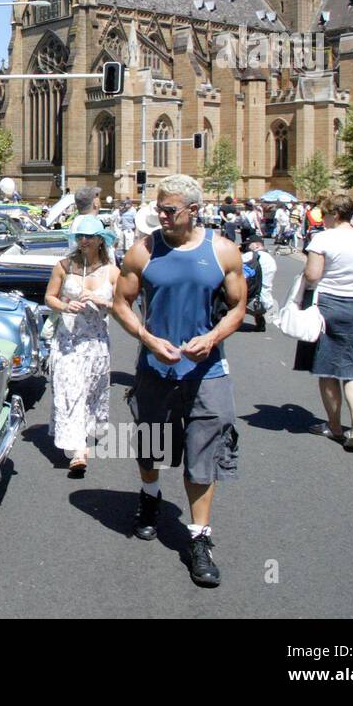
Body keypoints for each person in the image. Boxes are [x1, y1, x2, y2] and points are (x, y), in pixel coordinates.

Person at [111, 174, 245, 588]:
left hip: (208, 373)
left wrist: (213, 337)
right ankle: (150, 499)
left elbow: (238, 307)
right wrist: (147, 338)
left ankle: (199, 538)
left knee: (203, 454)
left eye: (170, 210)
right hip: (156, 370)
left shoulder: (222, 251)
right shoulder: (143, 250)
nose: (162, 217)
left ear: (193, 210)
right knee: (151, 449)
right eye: (159, 209)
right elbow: (121, 303)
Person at [295, 194, 353, 452]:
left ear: (334, 214)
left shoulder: (322, 238)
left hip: (330, 304)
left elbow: (312, 275)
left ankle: (334, 426)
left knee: (328, 369)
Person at [44, 215, 120, 475]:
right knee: (69, 389)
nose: (84, 241)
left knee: (90, 392)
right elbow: (49, 298)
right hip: (68, 341)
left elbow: (122, 308)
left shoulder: (112, 272)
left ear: (101, 240)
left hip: (96, 342)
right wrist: (66, 305)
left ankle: (84, 433)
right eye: (80, 236)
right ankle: (78, 449)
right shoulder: (63, 266)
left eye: (89, 236)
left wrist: (102, 301)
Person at [243, 238, 277, 331]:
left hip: (251, 301)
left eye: (248, 244)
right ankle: (259, 319)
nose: (246, 247)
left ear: (257, 245)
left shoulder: (250, 255)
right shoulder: (271, 259)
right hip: (267, 302)